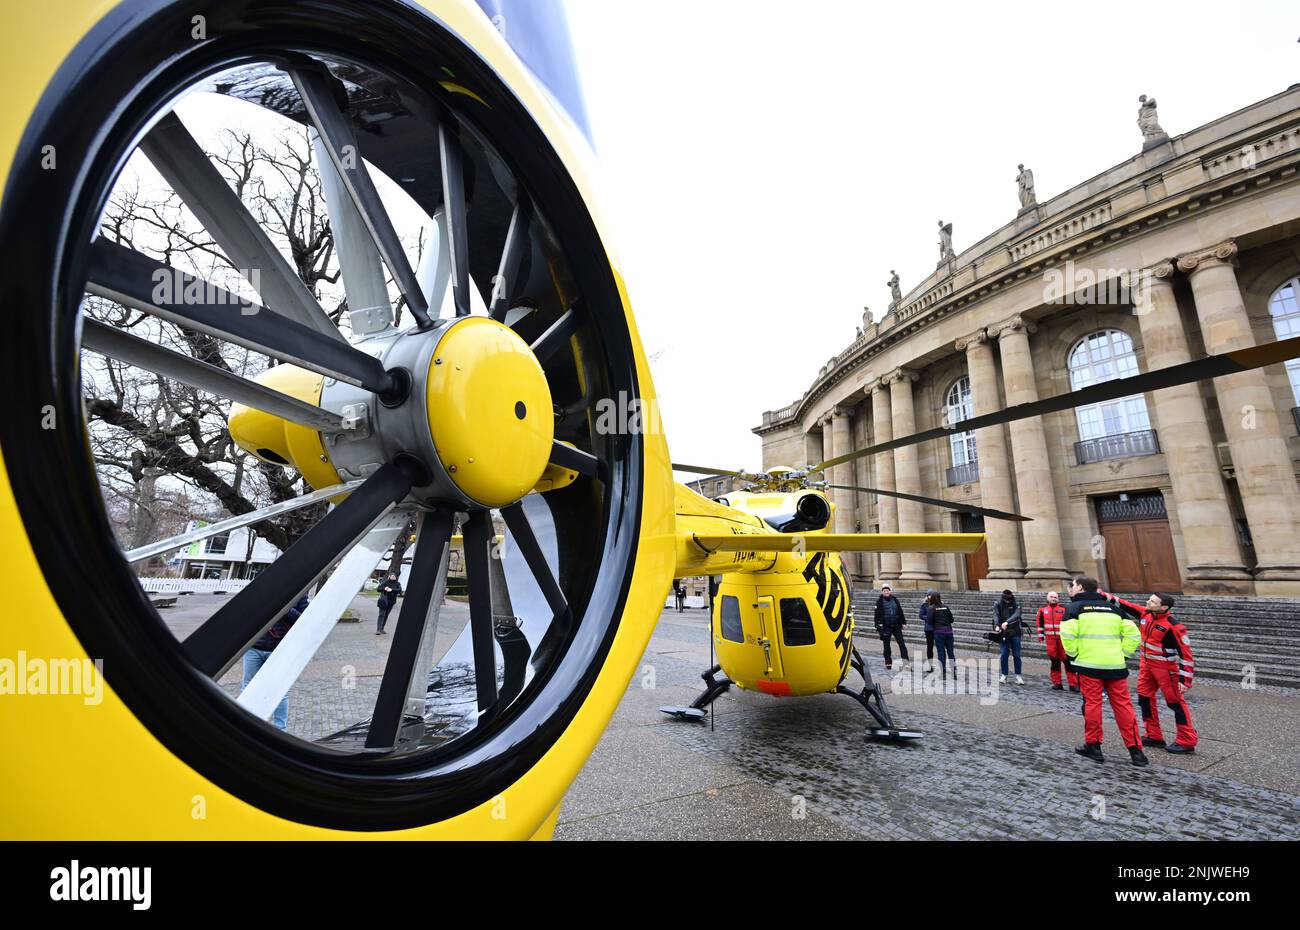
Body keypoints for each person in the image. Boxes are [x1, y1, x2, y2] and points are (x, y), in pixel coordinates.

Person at [1060, 576, 1147, 767]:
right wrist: (1122, 655)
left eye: (1072, 585)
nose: (1071, 589)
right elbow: (1134, 634)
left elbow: (1066, 636)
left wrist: (1075, 656)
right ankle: (1136, 751)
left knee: (1092, 704)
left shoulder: (1073, 609)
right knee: (1124, 706)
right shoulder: (1115, 609)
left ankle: (1094, 746)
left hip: (1089, 665)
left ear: (1080, 588)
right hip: (1115, 665)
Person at [1103, 590, 1197, 754]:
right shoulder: (1145, 614)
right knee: (1144, 699)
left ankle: (1187, 740)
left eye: (1152, 601)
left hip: (1166, 669)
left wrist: (1185, 680)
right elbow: (1127, 605)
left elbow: (1186, 655)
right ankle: (1154, 735)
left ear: (1164, 607)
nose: (1148, 602)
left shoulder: (1174, 627)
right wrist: (1103, 595)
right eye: (1149, 600)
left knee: (1175, 703)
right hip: (1146, 665)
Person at [241, 595, 308, 731]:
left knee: (280, 691)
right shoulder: (261, 590)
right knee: (247, 688)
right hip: (254, 648)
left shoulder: (300, 593)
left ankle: (281, 729)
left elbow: (304, 619)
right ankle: (245, 725)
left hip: (279, 649)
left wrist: (285, 607)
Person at [1036, 590, 1077, 692]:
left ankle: (1073, 684)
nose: (1053, 598)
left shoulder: (1064, 609)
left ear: (1058, 598)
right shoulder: (1042, 610)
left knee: (1068, 663)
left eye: (1055, 597)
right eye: (1051, 597)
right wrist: (1040, 636)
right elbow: (1040, 624)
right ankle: (1057, 683)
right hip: (1051, 642)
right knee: (1054, 663)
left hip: (1064, 640)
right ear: (1047, 598)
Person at [873, 584, 909, 670]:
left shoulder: (895, 599)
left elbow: (900, 611)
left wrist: (904, 623)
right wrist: (877, 626)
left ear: (890, 591)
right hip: (886, 626)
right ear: (882, 592)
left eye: (887, 590)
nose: (886, 592)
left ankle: (906, 663)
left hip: (896, 625)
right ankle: (888, 662)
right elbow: (876, 614)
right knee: (886, 645)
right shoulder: (879, 601)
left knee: (902, 644)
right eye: (884, 591)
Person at [993, 589, 1024, 685]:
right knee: (1004, 654)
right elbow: (996, 615)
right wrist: (997, 625)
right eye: (1005, 600)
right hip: (1004, 633)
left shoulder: (1016, 604)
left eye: (1009, 600)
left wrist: (1007, 622)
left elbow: (1017, 614)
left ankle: (1018, 675)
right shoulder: (998, 603)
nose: (1007, 601)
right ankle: (1004, 675)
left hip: (1015, 632)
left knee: (1017, 655)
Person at [928, 592, 957, 680]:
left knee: (941, 653)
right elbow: (952, 619)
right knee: (951, 652)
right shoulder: (946, 607)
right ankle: (953, 672)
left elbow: (929, 621)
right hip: (948, 632)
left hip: (939, 632)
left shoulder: (931, 608)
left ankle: (943, 672)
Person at [918, 589, 937, 672]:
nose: (931, 596)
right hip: (929, 629)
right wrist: (929, 618)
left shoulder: (939, 604)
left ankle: (942, 665)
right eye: (930, 595)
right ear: (927, 596)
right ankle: (930, 665)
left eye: (933, 595)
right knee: (930, 647)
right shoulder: (924, 605)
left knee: (940, 647)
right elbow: (921, 615)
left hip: (938, 628)